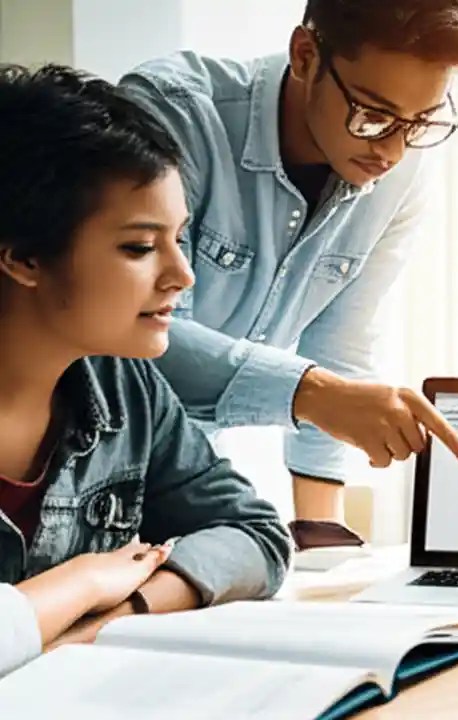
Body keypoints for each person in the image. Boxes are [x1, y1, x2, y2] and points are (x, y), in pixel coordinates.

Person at [116, 0, 458, 535]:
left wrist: (322, 536)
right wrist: (314, 394)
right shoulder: (173, 115)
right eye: (373, 114)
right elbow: (131, 335)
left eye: (420, 123)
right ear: (304, 55)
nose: (392, 151)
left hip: (184, 476)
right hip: (82, 460)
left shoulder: (400, 170)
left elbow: (341, 345)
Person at [0, 65, 291, 677]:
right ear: (23, 257)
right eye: (139, 247)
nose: (183, 275)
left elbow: (255, 536)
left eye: (179, 238)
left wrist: (118, 615)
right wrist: (79, 583)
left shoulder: (123, 388)